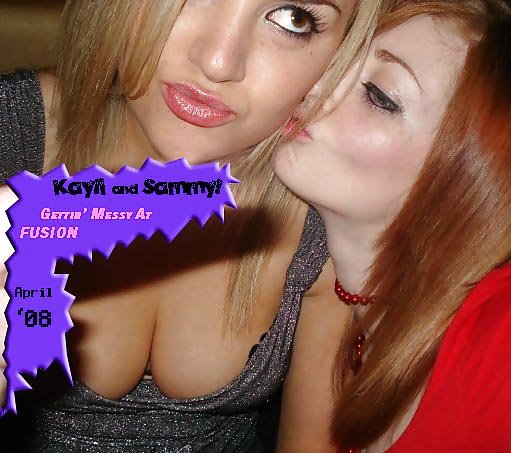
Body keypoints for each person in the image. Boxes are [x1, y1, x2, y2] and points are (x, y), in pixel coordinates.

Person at [0, 0, 395, 450]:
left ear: (341, 55)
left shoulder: (323, 216)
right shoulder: (14, 135)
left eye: (294, 18)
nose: (218, 62)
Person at [273, 0, 511, 451]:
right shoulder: (361, 306)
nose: (318, 83)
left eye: (380, 96)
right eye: (340, 59)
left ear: (473, 179)